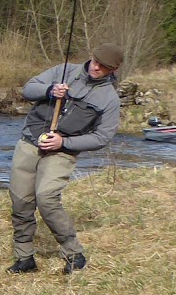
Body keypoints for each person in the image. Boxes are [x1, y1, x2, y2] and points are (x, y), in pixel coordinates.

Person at [8, 43, 123, 275]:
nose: (97, 68)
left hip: (62, 152)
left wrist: (64, 143)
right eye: (96, 62)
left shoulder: (110, 99)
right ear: (92, 57)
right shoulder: (64, 71)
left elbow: (102, 137)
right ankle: (24, 258)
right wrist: (49, 90)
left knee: (46, 198)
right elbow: (28, 89)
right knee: (21, 201)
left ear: (113, 70)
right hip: (29, 141)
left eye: (104, 67)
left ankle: (73, 254)